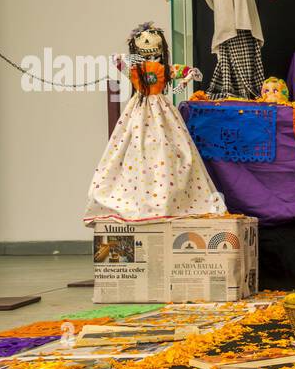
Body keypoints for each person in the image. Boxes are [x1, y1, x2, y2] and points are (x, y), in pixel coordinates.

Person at [83, 23, 225, 223]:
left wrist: (188, 74)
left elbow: (181, 72)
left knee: (167, 147)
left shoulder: (161, 69)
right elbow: (119, 64)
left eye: (154, 53)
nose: (151, 57)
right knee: (134, 147)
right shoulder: (134, 68)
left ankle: (168, 200)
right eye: (146, 52)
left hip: (162, 112)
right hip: (139, 111)